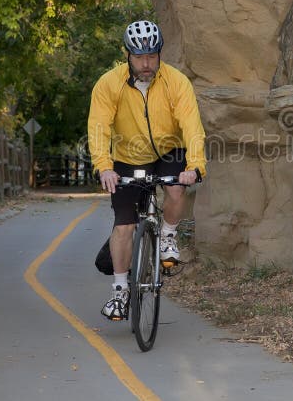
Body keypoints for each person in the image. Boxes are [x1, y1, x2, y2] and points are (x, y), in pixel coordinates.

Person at [88, 20, 206, 320]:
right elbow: (99, 127)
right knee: (124, 226)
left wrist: (194, 165)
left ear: (159, 54)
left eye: (152, 56)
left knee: (177, 188)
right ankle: (120, 291)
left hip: (170, 150)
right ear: (127, 54)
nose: (146, 63)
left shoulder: (176, 82)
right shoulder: (108, 84)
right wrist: (104, 167)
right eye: (140, 57)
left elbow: (192, 127)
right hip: (127, 156)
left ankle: (167, 234)